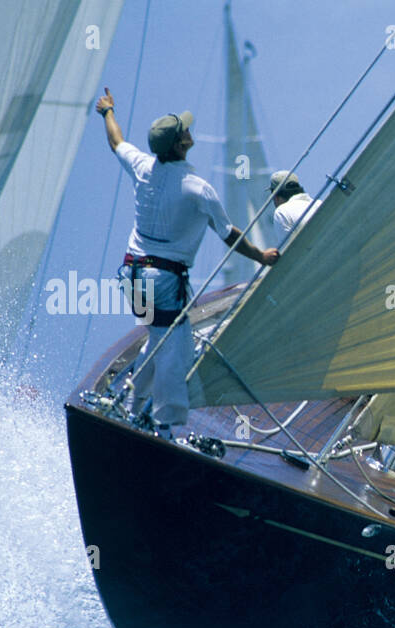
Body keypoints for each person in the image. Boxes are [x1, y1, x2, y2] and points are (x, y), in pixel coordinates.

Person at [95, 87, 280, 433]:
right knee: (176, 349)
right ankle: (167, 427)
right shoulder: (198, 189)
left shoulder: (143, 166)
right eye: (185, 131)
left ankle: (132, 407)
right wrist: (261, 255)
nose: (190, 132)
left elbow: (116, 142)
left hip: (131, 275)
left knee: (157, 335)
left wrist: (107, 112)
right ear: (182, 145)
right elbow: (230, 235)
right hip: (163, 280)